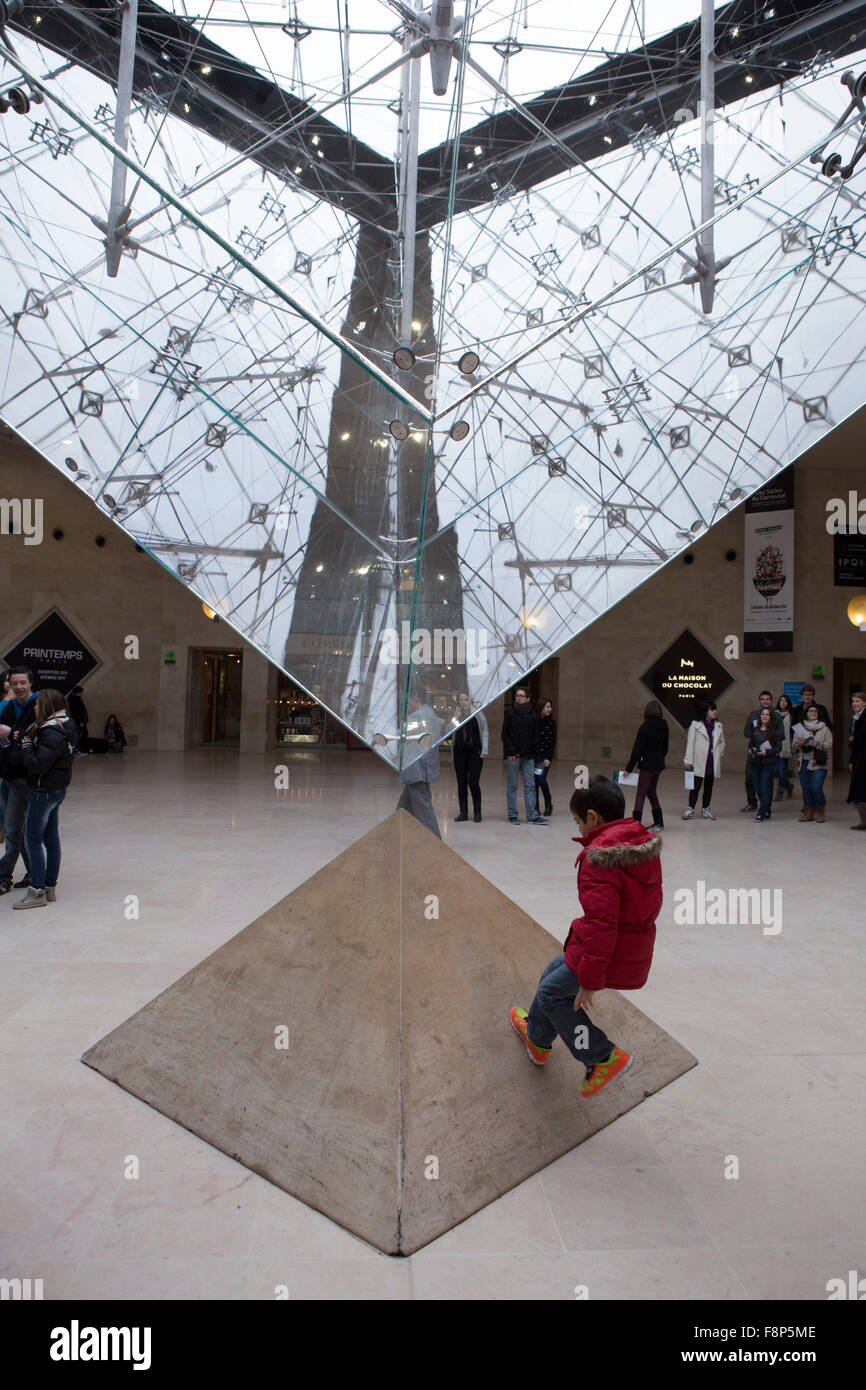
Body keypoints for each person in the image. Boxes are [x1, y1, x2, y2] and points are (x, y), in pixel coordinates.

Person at [508, 775, 662, 1100]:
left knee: (552, 994)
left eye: (578, 821)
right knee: (553, 970)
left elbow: (603, 924)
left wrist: (591, 978)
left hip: (609, 950)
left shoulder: (600, 858)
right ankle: (537, 1038)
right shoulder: (639, 842)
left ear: (593, 817)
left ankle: (600, 1057)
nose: (578, 829)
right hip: (629, 944)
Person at [12, 689, 78, 909]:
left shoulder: (51, 732)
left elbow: (38, 764)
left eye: (38, 705)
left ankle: (37, 891)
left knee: (33, 840)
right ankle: (49, 887)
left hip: (44, 791)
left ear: (48, 707)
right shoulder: (66, 725)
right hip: (57, 789)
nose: (35, 708)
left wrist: (27, 745)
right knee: (51, 840)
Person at [0, 667, 38, 893]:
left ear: (30, 682)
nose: (19, 687)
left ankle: (4, 876)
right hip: (7, 774)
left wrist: (12, 732)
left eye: (23, 682)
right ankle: (34, 870)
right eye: (15, 683)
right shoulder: (8, 708)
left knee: (14, 829)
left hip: (24, 777)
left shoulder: (36, 706)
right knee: (16, 827)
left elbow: (36, 735)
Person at [391, 693, 442, 839]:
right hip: (423, 768)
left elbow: (402, 734)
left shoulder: (417, 716)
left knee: (424, 810)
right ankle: (393, 836)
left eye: (409, 702)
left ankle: (435, 843)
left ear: (416, 700)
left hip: (417, 769)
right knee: (404, 807)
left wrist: (381, 735)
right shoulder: (431, 714)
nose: (408, 705)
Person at [501, 687, 546, 825]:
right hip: (513, 756)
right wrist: (512, 751)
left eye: (521, 696)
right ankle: (512, 814)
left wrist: (538, 757)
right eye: (516, 696)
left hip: (529, 757)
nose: (518, 698)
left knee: (530, 786)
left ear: (528, 699)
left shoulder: (533, 716)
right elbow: (505, 735)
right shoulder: (510, 714)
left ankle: (532, 816)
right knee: (512, 786)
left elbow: (535, 737)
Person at [624, 699, 668, 829]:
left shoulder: (645, 726)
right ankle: (659, 821)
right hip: (659, 765)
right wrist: (659, 759)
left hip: (647, 765)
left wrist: (629, 768)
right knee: (651, 792)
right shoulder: (665, 726)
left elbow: (638, 749)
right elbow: (665, 748)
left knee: (640, 793)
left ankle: (636, 823)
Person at [682, 700, 726, 819]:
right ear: (706, 711)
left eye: (714, 709)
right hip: (698, 761)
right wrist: (688, 760)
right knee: (695, 786)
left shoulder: (718, 725)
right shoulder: (696, 725)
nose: (714, 712)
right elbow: (690, 743)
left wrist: (718, 752)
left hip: (712, 761)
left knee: (708, 786)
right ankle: (690, 808)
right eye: (712, 709)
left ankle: (705, 809)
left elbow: (722, 742)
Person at [741, 692, 784, 812]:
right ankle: (752, 802)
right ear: (759, 700)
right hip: (755, 751)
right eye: (763, 699)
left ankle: (766, 806)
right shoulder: (753, 715)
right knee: (749, 779)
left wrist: (769, 735)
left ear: (771, 701)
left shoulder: (776, 716)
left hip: (768, 753)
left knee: (766, 782)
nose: (765, 701)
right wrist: (757, 733)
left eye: (768, 699)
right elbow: (746, 731)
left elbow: (782, 735)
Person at [792, 704, 832, 823]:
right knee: (806, 788)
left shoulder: (824, 728)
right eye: (811, 711)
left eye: (815, 711)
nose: (813, 713)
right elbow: (794, 744)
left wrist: (818, 744)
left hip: (818, 762)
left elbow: (829, 743)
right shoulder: (800, 728)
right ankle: (808, 811)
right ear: (806, 713)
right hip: (803, 761)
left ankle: (820, 810)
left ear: (818, 714)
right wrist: (798, 744)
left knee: (816, 787)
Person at [451, 692, 488, 823]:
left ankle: (477, 812)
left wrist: (484, 750)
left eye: (466, 699)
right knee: (461, 783)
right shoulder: (457, 715)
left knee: (473, 783)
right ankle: (463, 813)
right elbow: (449, 730)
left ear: (470, 701)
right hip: (459, 753)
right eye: (461, 699)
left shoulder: (478, 714)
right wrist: (455, 718)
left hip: (475, 753)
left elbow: (485, 732)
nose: (463, 702)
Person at [747, 707, 782, 822]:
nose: (765, 716)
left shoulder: (774, 731)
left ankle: (761, 812)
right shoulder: (756, 730)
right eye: (763, 714)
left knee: (764, 788)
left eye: (767, 715)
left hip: (768, 763)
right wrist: (751, 749)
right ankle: (766, 808)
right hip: (755, 763)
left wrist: (767, 752)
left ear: (770, 717)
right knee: (758, 789)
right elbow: (750, 743)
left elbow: (778, 748)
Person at [846, 691, 866, 830]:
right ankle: (863, 821)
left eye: (857, 701)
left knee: (862, 789)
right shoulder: (856, 718)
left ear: (864, 702)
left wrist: (855, 739)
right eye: (853, 701)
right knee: (860, 789)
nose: (854, 704)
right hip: (859, 757)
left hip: (864, 757)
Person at [535, 698, 557, 818]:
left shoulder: (552, 723)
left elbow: (552, 742)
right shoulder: (534, 722)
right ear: (541, 708)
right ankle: (536, 806)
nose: (550, 709)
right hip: (535, 757)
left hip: (545, 757)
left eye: (550, 707)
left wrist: (548, 758)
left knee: (541, 779)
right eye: (548, 707)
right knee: (535, 782)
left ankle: (548, 803)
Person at [774, 694, 795, 801]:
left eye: (785, 701)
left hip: (786, 746)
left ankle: (780, 791)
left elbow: (793, 731)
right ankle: (788, 786)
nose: (783, 702)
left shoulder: (791, 715)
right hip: (775, 745)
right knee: (776, 769)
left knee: (782, 769)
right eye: (781, 700)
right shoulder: (774, 713)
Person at [67, 686, 89, 755]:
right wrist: (81, 721)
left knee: (82, 735)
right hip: (78, 722)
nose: (82, 693)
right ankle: (80, 749)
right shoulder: (74, 699)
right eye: (81, 692)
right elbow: (77, 712)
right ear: (78, 692)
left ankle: (79, 749)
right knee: (82, 735)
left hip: (79, 721)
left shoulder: (75, 698)